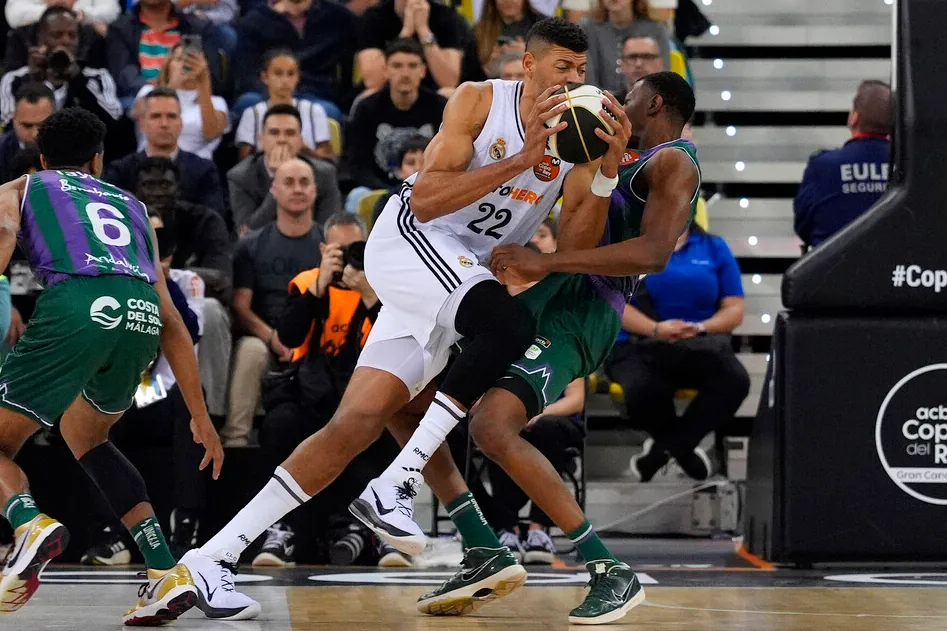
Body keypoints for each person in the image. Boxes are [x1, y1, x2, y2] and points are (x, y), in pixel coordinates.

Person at [181, 16, 627, 621]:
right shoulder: (478, 101)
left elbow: (574, 243)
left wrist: (604, 171)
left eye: (581, 70)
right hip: (413, 240)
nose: (574, 79)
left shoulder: (578, 138)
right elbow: (424, 198)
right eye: (562, 68)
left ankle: (209, 560)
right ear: (528, 65)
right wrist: (520, 159)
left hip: (459, 274)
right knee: (507, 329)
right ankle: (398, 483)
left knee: (359, 421)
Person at [374, 70, 699, 623]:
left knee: (492, 428)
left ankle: (607, 570)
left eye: (630, 97)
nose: (619, 103)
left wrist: (546, 261)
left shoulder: (674, 160)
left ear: (657, 102)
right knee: (404, 396)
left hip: (586, 308)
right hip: (551, 290)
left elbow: (651, 255)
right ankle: (481, 547)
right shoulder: (610, 157)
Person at [0, 107, 223, 624]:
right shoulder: (136, 207)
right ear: (98, 160)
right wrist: (199, 414)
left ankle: (27, 523)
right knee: (89, 438)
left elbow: (5, 239)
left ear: (42, 158)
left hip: (78, 306)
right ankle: (165, 573)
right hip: (139, 316)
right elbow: (172, 318)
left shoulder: (24, 186)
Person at [254, 213, 388, 568]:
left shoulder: (384, 284)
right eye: (338, 251)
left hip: (363, 393)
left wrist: (369, 295)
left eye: (354, 250)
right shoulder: (307, 281)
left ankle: (371, 527)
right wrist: (319, 289)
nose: (346, 259)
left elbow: (393, 344)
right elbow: (288, 337)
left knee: (385, 423)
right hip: (311, 391)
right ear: (323, 249)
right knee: (280, 422)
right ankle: (280, 527)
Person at [607, 222, 747, 481]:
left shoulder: (713, 247)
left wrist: (701, 327)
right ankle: (681, 451)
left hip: (699, 342)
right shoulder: (627, 245)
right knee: (641, 388)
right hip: (639, 343)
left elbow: (734, 308)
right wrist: (656, 329)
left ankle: (660, 453)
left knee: (735, 380)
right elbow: (614, 303)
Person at [221, 158, 325, 448]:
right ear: (274, 190)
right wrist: (273, 337)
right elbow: (241, 306)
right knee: (250, 350)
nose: (297, 189)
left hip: (315, 341)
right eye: (289, 182)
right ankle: (236, 441)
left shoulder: (327, 245)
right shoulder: (250, 245)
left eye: (304, 182)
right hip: (266, 340)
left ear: (315, 190)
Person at [794, 80, 892, 250]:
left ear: (854, 117)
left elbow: (803, 225)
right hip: (892, 271)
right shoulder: (907, 168)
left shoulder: (823, 166)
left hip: (832, 272)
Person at [344, 39, 447, 200]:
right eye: (397, 66)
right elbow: (358, 165)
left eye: (412, 66)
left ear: (423, 71)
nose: (405, 73)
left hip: (430, 188)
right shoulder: (366, 108)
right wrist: (392, 192)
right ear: (385, 70)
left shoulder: (440, 107)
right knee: (357, 196)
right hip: (379, 189)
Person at [104, 87, 227, 218]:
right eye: (156, 116)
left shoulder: (203, 170)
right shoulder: (120, 171)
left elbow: (215, 219)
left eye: (171, 116)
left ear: (181, 123)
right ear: (142, 124)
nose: (164, 124)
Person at [228, 104, 342, 234]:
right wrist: (278, 181)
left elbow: (329, 231)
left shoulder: (324, 174)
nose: (282, 140)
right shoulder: (241, 176)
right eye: (274, 133)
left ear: (300, 140)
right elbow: (247, 233)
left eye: (290, 133)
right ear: (262, 139)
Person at [0, 8, 122, 129]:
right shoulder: (14, 79)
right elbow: (8, 127)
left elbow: (113, 123)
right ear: (40, 39)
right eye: (57, 35)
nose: (65, 41)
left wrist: (78, 80)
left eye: (72, 35)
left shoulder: (98, 77)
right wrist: (34, 82)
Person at [234, 0, 356, 121]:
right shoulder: (254, 21)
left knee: (329, 112)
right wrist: (280, 97)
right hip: (267, 94)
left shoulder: (337, 16)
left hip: (317, 95)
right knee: (248, 103)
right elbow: (247, 76)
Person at [106, 0, 223, 100]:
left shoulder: (198, 28)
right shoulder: (120, 29)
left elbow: (209, 78)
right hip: (141, 100)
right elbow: (125, 75)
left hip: (190, 99)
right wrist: (159, 95)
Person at [134, 42, 230, 160]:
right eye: (180, 59)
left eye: (191, 60)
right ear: (168, 65)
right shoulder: (147, 92)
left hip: (196, 170)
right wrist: (173, 85)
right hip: (148, 165)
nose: (185, 64)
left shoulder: (217, 102)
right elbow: (138, 116)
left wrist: (203, 83)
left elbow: (211, 134)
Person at [235, 49, 334, 162]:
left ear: (298, 77)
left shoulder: (314, 111)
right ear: (265, 77)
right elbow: (244, 163)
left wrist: (303, 149)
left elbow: (327, 160)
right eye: (278, 73)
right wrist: (268, 152)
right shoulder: (252, 113)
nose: (285, 80)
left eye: (291, 74)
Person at [357, 0, 468, 94]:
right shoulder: (374, 17)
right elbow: (373, 81)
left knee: (448, 92)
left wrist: (424, 31)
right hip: (388, 94)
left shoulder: (445, 16)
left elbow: (449, 80)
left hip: (432, 93)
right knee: (369, 94)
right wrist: (406, 33)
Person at [581, 0, 670, 97]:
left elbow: (664, 80)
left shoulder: (656, 29)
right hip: (601, 103)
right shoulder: (588, 28)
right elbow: (589, 85)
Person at [0, 83, 54, 184]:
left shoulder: (72, 153)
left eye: (42, 125)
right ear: (13, 118)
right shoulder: (2, 152)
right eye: (27, 126)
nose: (35, 134)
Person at [472, 0, 540, 78]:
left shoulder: (543, 27)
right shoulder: (479, 31)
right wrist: (489, 66)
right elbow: (468, 78)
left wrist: (529, 54)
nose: (508, 1)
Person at [370, 135, 429, 224]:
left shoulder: (447, 199)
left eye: (424, 162)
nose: (417, 168)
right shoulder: (386, 201)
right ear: (400, 170)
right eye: (410, 163)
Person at [4, 0, 118, 31]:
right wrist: (51, 12)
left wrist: (83, 15)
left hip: (86, 40)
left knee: (103, 31)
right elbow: (14, 14)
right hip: (38, 41)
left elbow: (112, 11)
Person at [618, 34, 664, 100]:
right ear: (622, 64)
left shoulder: (677, 105)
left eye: (646, 56)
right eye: (632, 57)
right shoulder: (607, 105)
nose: (638, 64)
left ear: (659, 63)